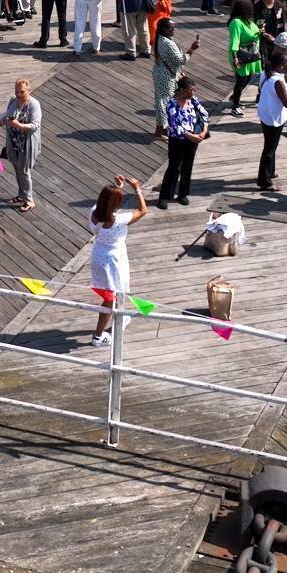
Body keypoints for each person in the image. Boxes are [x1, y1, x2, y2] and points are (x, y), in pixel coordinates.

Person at [86, 178, 147, 347]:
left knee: (111, 293)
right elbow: (143, 210)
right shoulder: (119, 220)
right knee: (110, 298)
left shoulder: (93, 213)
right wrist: (137, 189)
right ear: (116, 204)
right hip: (113, 261)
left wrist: (118, 189)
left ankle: (120, 316)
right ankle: (98, 336)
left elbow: (106, 205)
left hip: (98, 256)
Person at [158, 77, 210, 205]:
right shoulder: (172, 103)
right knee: (174, 168)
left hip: (193, 140)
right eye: (190, 90)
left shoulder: (193, 100)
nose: (193, 92)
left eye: (194, 90)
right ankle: (165, 196)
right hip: (177, 140)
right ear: (182, 90)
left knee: (187, 167)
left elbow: (204, 115)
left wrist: (203, 132)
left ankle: (182, 194)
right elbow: (174, 125)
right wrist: (190, 136)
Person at [0, 79, 44, 211]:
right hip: (14, 141)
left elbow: (35, 125)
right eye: (16, 91)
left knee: (24, 171)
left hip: (26, 142)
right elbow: (7, 116)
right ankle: (21, 195)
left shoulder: (34, 104)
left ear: (29, 90)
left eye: (22, 92)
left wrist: (19, 125)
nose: (18, 94)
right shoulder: (13, 100)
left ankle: (29, 200)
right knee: (17, 169)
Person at [253, 53, 287, 193]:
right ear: (282, 65)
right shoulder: (278, 81)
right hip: (273, 118)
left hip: (265, 114)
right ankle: (264, 181)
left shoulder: (265, 74)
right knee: (269, 150)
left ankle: (270, 172)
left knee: (270, 146)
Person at [153, 22, 197, 122]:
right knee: (165, 102)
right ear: (164, 29)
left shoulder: (160, 38)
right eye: (171, 28)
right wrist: (192, 49)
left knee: (162, 101)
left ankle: (162, 128)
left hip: (161, 73)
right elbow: (181, 60)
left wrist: (178, 72)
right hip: (166, 76)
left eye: (174, 28)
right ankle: (161, 130)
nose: (173, 30)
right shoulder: (168, 43)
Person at [227, 1, 265, 112]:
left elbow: (253, 33)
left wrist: (260, 31)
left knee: (247, 78)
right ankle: (235, 106)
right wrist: (235, 58)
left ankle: (235, 98)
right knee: (241, 79)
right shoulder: (236, 22)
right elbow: (235, 41)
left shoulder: (249, 21)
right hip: (240, 55)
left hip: (250, 54)